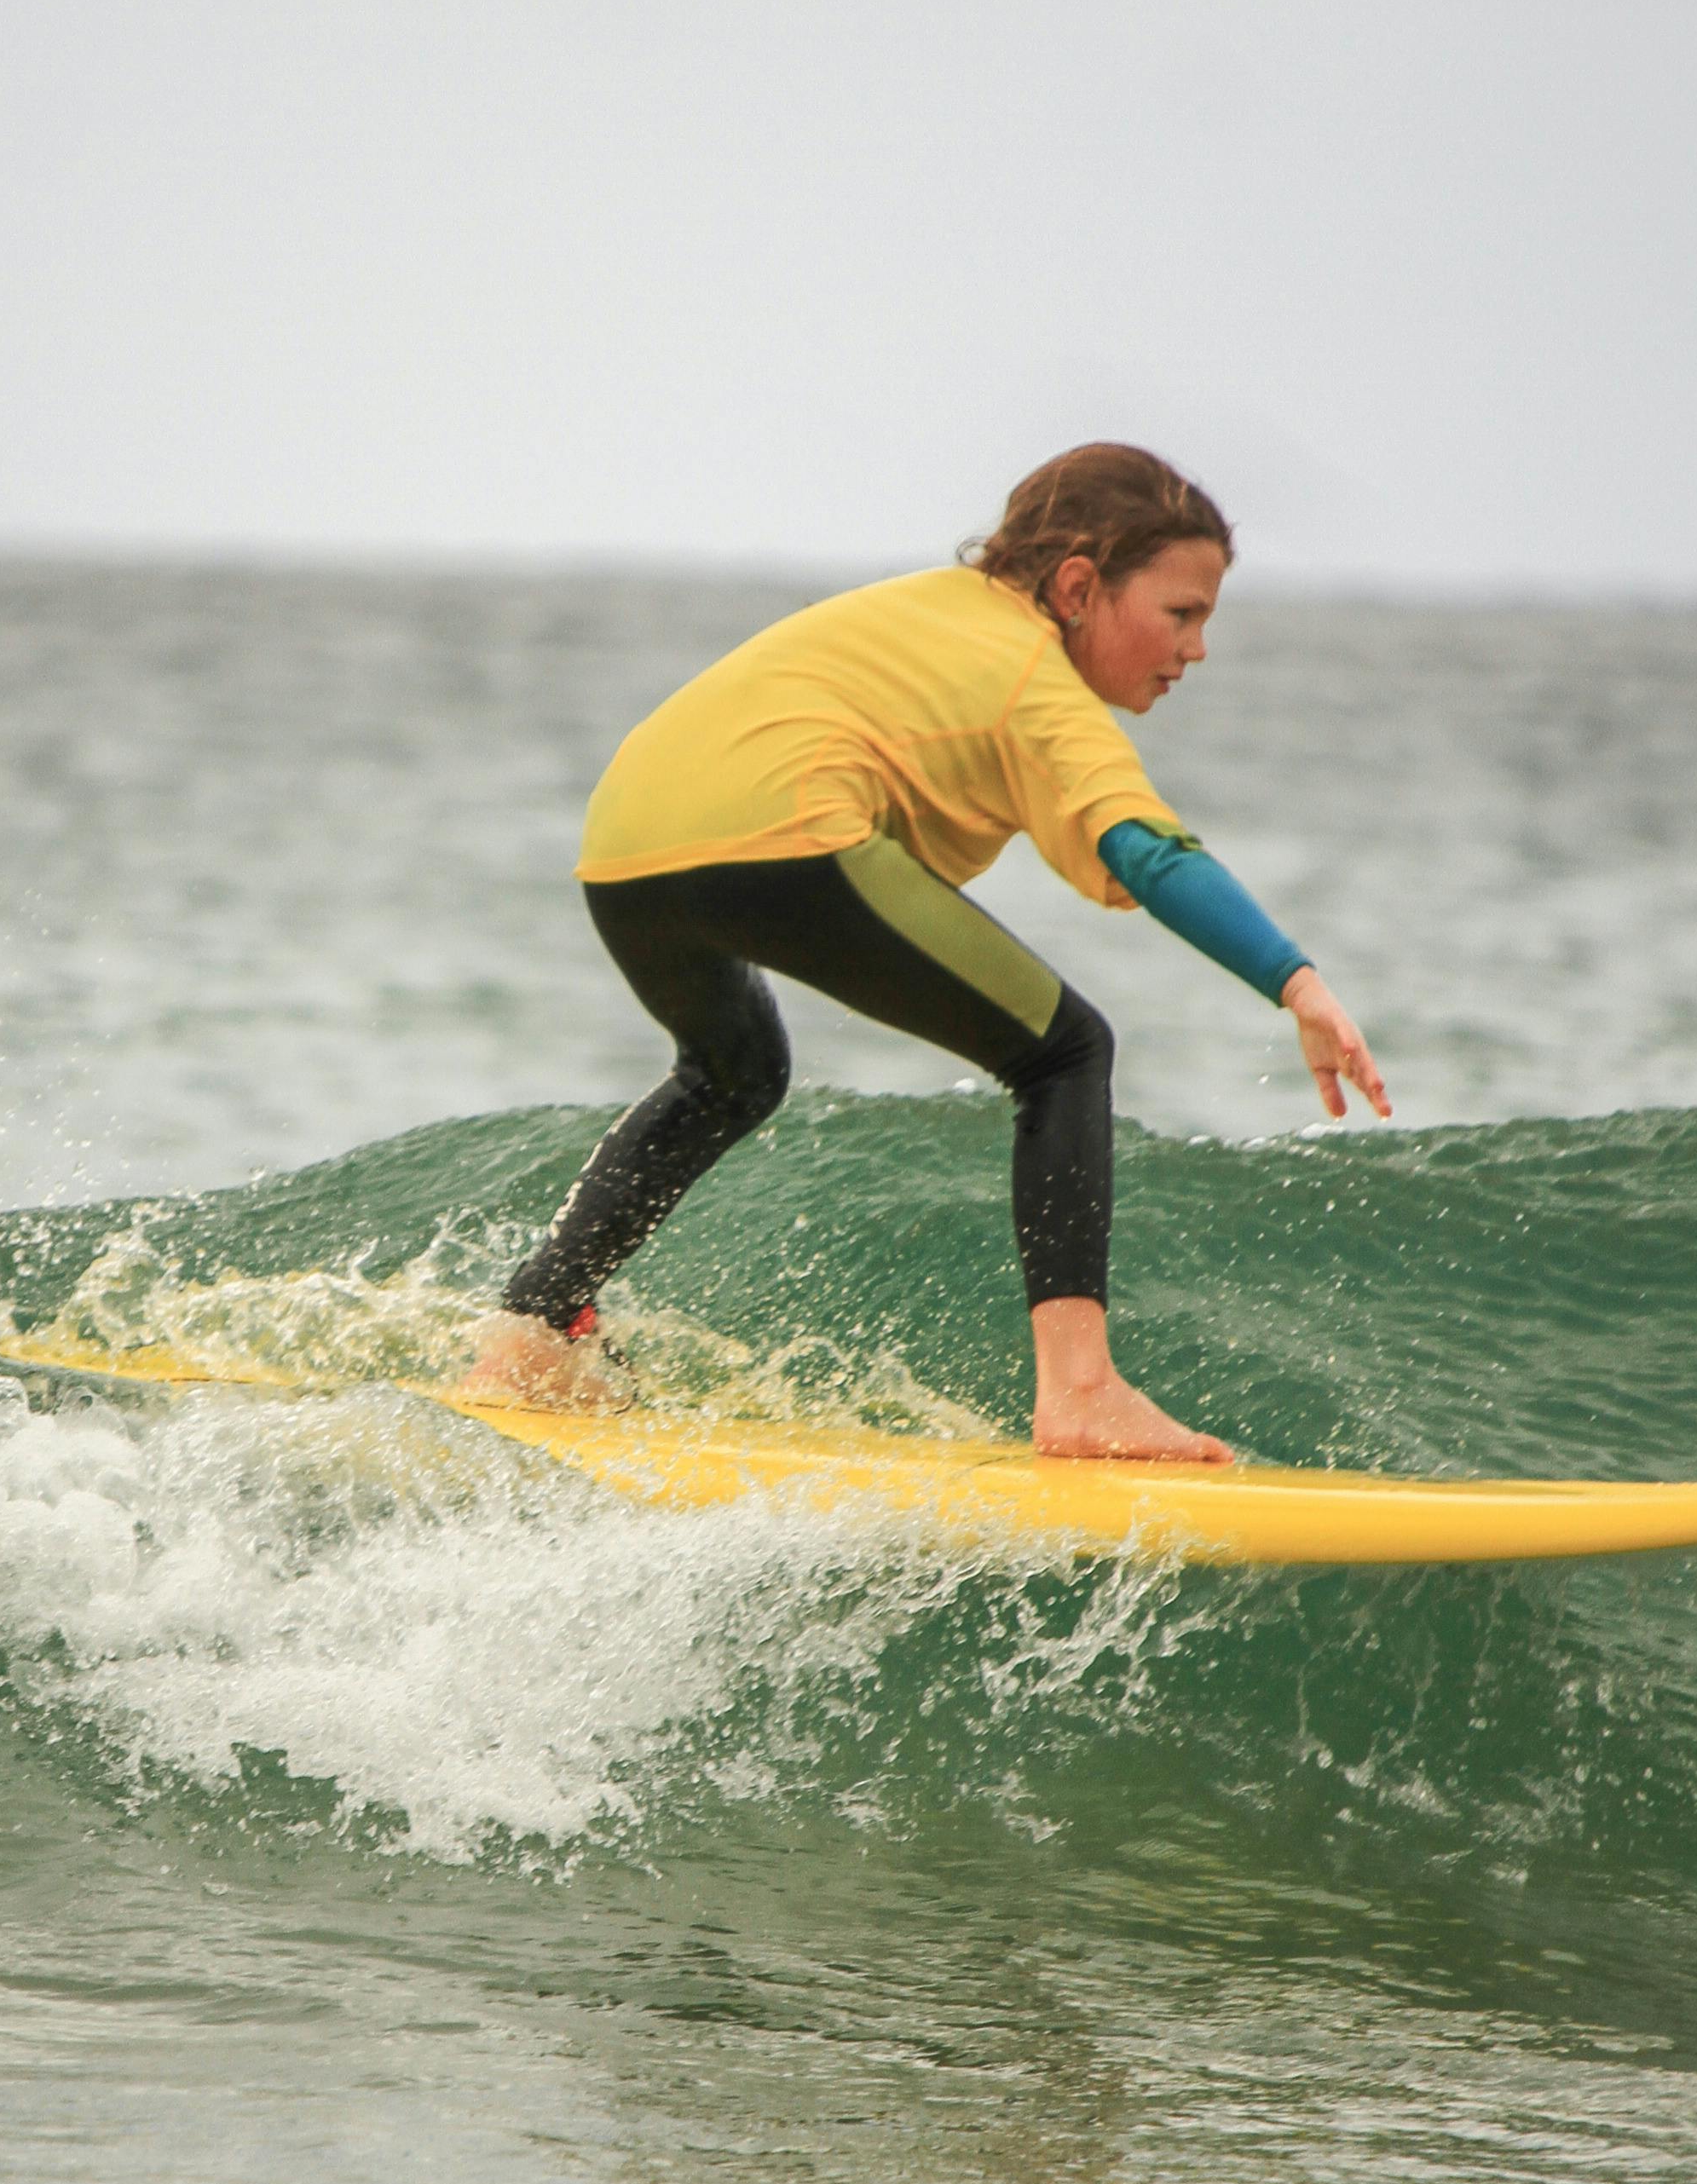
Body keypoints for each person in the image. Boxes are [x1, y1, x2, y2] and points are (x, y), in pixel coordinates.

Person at [473, 441, 1388, 1461]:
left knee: (735, 1072)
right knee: (1065, 1053)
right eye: (1182, 613)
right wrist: (1295, 983)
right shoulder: (1030, 680)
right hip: (786, 827)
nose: (1199, 648)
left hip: (625, 845)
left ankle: (532, 1333)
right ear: (1080, 587)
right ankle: (1080, 1392)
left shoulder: (925, 609)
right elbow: (1149, 853)